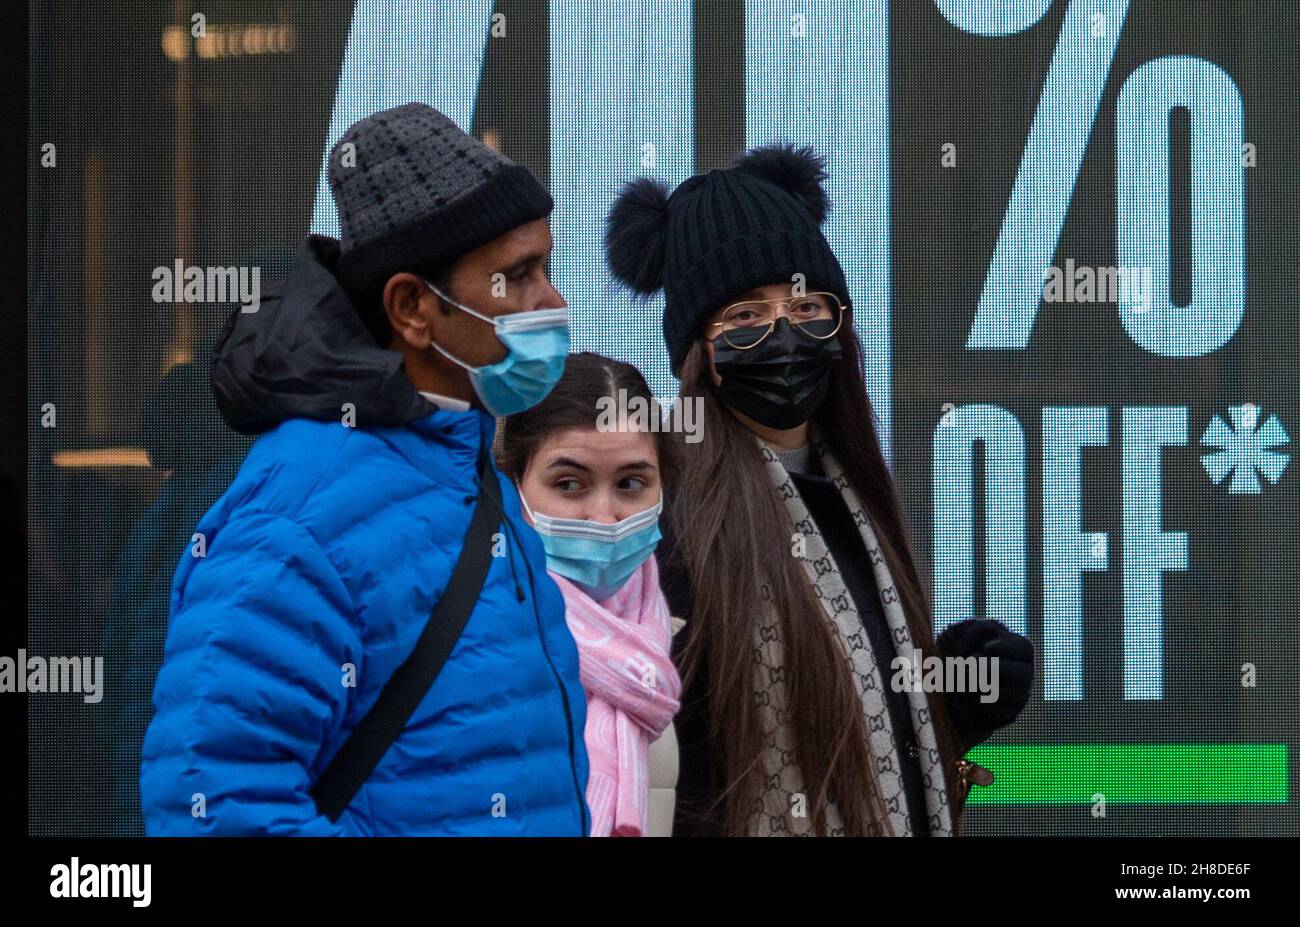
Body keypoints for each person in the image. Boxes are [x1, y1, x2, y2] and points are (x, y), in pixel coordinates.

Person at [140, 102, 590, 836]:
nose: (552, 301)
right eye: (516, 276)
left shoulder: (470, 468)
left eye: (548, 266)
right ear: (413, 308)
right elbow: (212, 806)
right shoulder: (300, 513)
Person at [603, 143, 1034, 837]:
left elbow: (851, 726)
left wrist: (949, 704)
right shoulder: (674, 527)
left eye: (806, 305)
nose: (783, 332)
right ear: (698, 355)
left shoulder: (852, 494)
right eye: (744, 317)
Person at [498, 352, 683, 837]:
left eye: (630, 483)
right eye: (569, 484)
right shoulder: (475, 631)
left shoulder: (673, 629)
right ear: (513, 483)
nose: (604, 517)